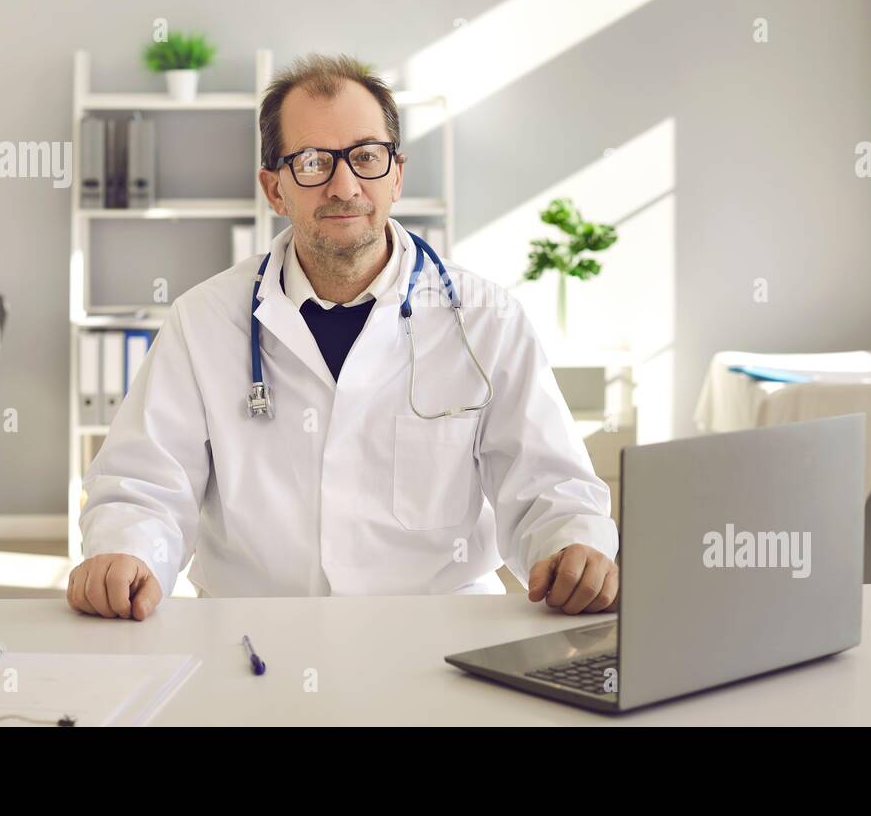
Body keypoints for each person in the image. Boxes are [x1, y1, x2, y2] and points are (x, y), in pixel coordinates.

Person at [67, 53, 619, 621]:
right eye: (311, 161)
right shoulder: (202, 321)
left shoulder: (486, 319)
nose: (344, 184)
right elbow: (144, 483)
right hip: (254, 635)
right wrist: (127, 551)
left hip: (440, 636)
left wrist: (573, 545)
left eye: (366, 157)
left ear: (396, 174)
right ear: (274, 188)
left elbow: (549, 484)